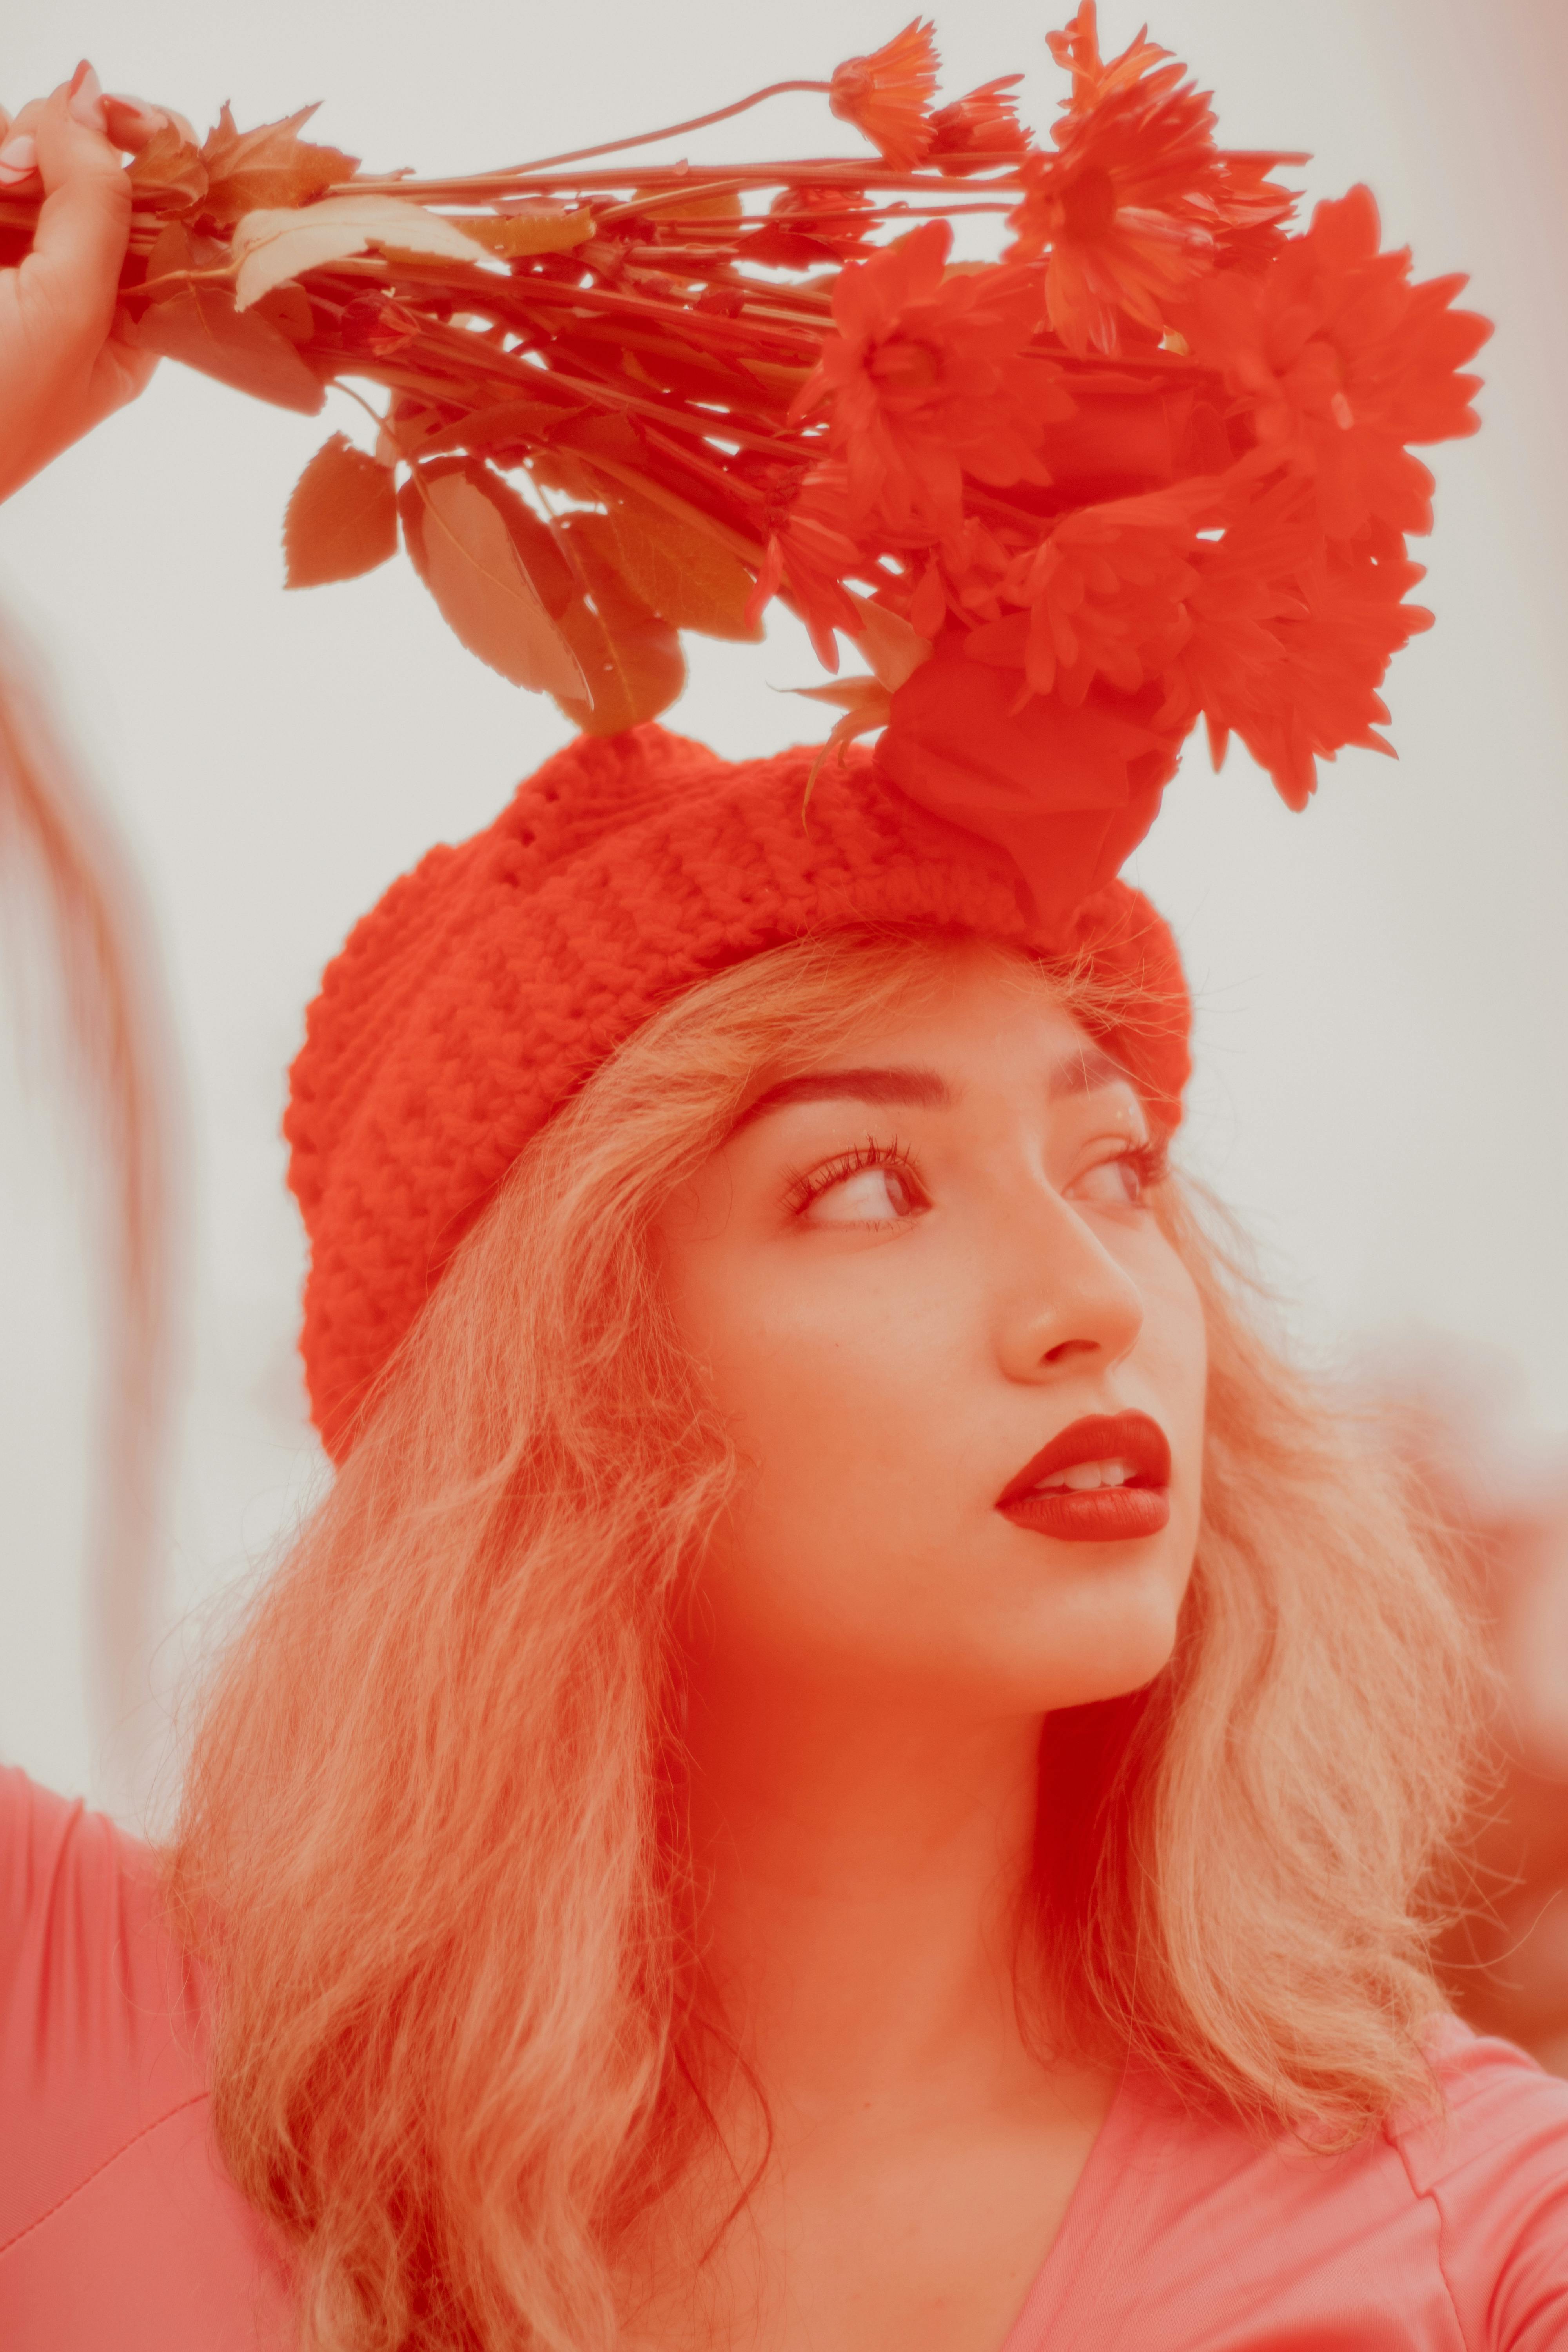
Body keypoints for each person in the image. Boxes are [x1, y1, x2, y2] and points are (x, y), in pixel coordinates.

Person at [3, 58, 1568, 2352]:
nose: (1086, 1302)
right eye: (865, 1184)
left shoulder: (1474, 2239)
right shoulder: (91, 2057)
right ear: (567, 1382)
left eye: (1115, 1165)